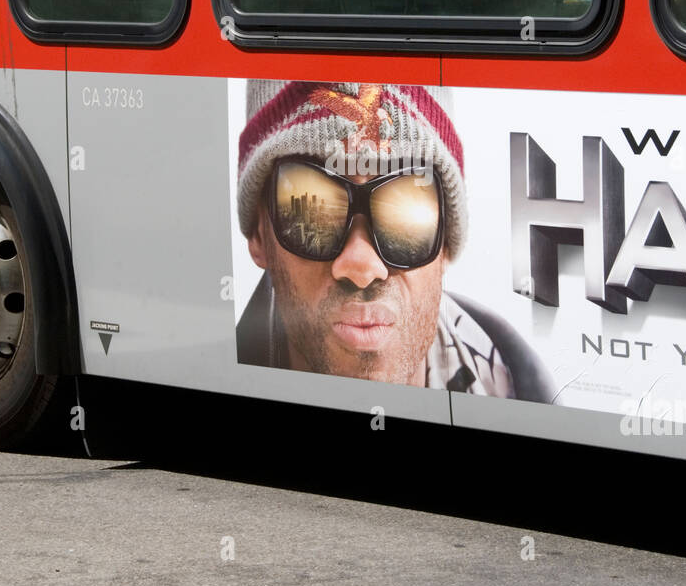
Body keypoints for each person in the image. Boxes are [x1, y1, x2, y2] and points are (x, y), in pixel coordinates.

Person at [235, 80, 558, 403]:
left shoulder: (527, 400)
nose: (362, 267)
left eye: (405, 211)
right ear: (259, 235)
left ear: (445, 240)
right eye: (312, 212)